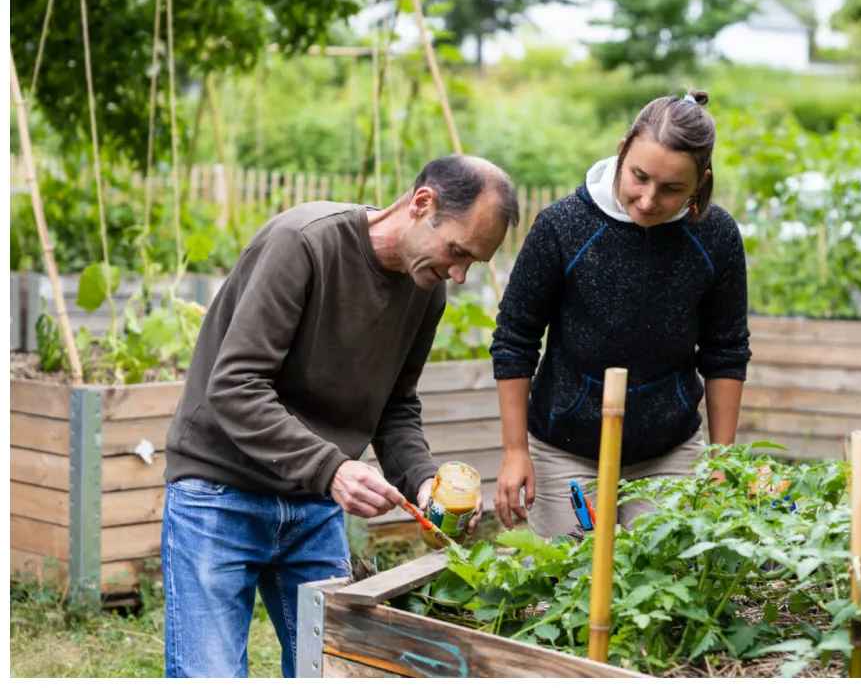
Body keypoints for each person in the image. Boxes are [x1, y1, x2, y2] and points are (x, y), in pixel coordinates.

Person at [160, 154, 519, 678]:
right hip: (221, 489)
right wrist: (332, 470)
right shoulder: (303, 244)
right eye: (458, 252)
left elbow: (396, 404)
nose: (459, 274)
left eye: (473, 264)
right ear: (423, 204)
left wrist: (424, 481)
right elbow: (235, 386)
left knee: (336, 671)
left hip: (313, 504)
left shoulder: (426, 289)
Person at [490, 90, 751, 540]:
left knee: (667, 574)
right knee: (567, 576)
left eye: (672, 189)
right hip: (565, 449)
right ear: (622, 150)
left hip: (669, 452)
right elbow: (515, 338)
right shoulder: (563, 226)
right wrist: (516, 451)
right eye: (639, 177)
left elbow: (725, 351)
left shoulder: (716, 236)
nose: (648, 199)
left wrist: (720, 462)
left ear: (700, 182)